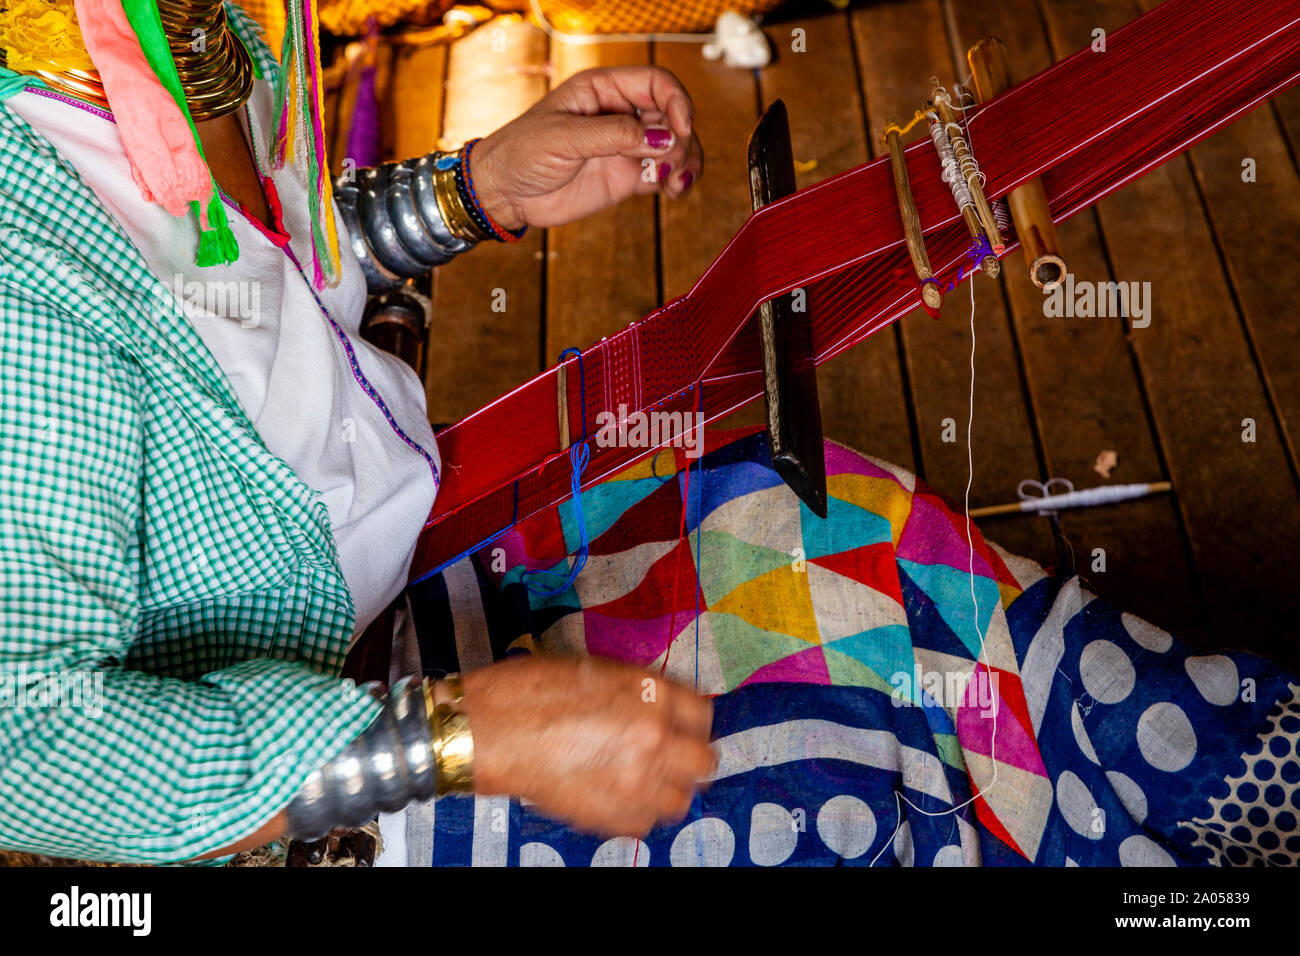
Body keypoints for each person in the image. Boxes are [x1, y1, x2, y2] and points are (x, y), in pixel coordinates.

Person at [0, 0, 712, 864]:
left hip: (401, 572)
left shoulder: (210, 32)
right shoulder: (24, 272)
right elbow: (29, 743)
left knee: (888, 541)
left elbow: (245, 278)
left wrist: (475, 188)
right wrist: (454, 738)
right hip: (259, 811)